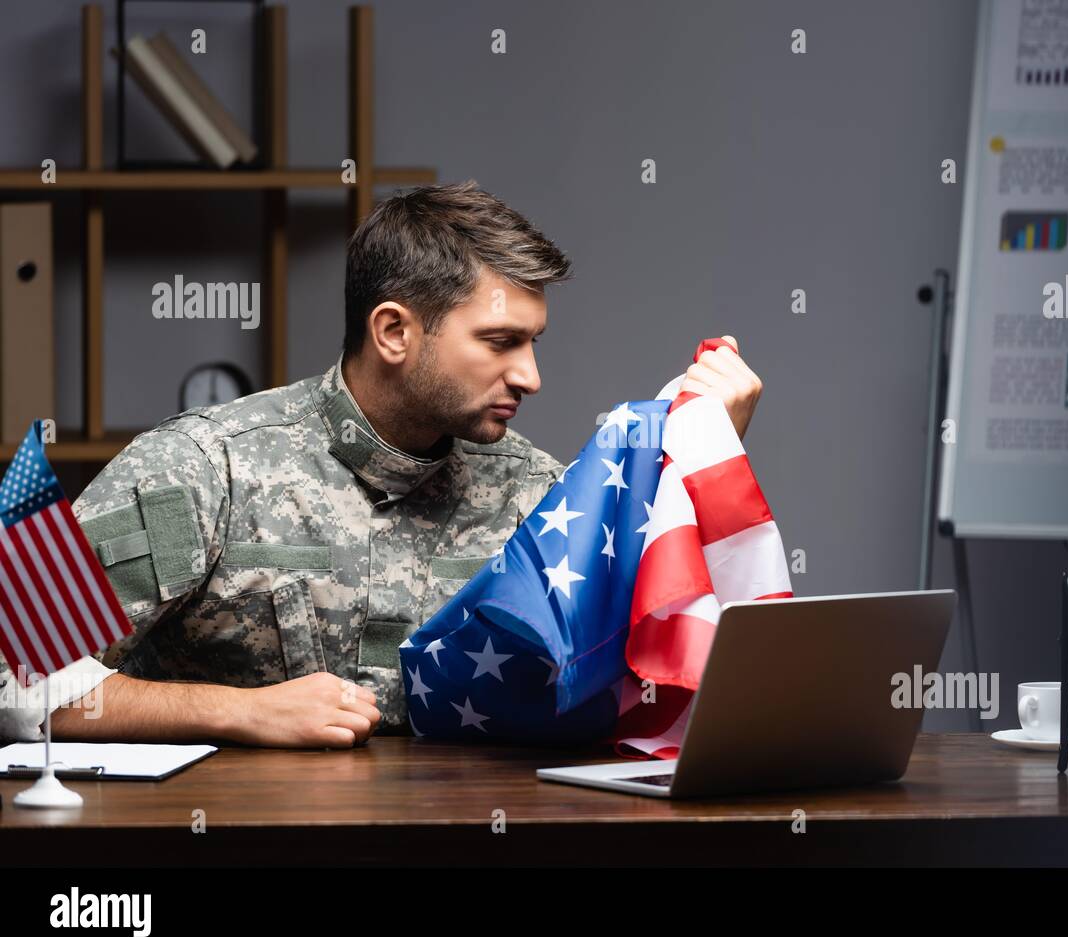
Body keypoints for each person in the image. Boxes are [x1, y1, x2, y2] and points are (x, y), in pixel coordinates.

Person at [0, 181, 763, 748]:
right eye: (500, 341)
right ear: (395, 331)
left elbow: (649, 676)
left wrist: (699, 460)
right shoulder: (202, 464)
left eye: (534, 343)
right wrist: (240, 711)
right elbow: (11, 673)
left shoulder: (541, 493)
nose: (531, 376)